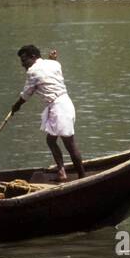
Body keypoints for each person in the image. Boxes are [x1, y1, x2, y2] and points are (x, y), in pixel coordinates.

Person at [11, 44, 86, 181]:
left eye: (24, 60)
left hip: (59, 108)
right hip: (64, 103)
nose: (23, 64)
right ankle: (62, 172)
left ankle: (82, 177)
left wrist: (16, 106)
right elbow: (51, 68)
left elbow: (27, 94)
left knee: (70, 143)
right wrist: (52, 59)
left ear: (33, 57)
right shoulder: (54, 64)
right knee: (51, 140)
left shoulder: (33, 71)